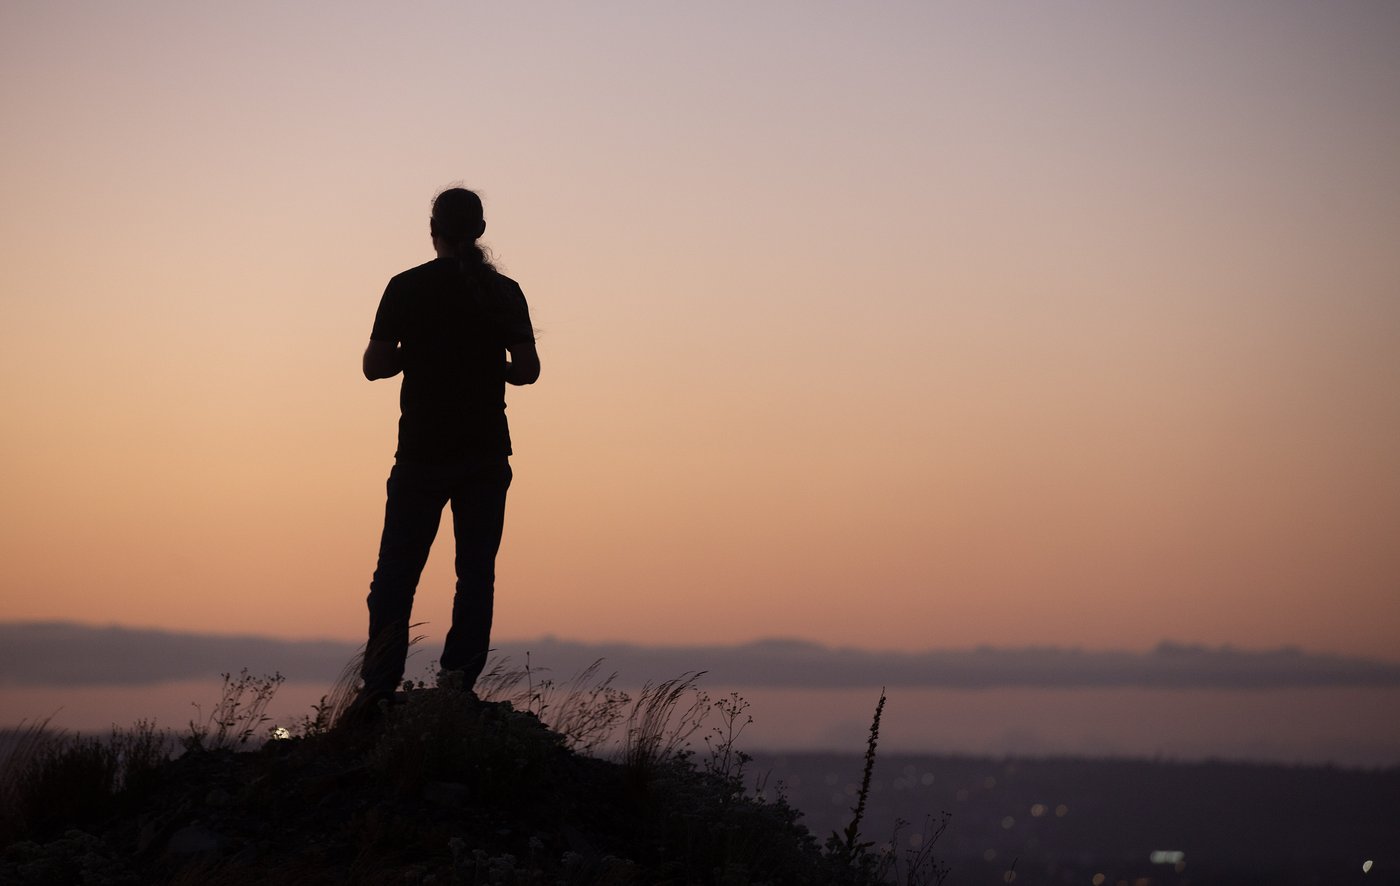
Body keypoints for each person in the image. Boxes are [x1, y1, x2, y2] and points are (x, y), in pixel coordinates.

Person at [353, 187, 539, 715]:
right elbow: (526, 371)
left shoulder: (406, 288)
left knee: (396, 572)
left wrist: (417, 354)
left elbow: (374, 365)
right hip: (485, 452)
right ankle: (457, 686)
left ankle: (379, 686)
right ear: (480, 230)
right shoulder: (504, 291)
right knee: (475, 572)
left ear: (431, 228)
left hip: (420, 453)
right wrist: (488, 368)